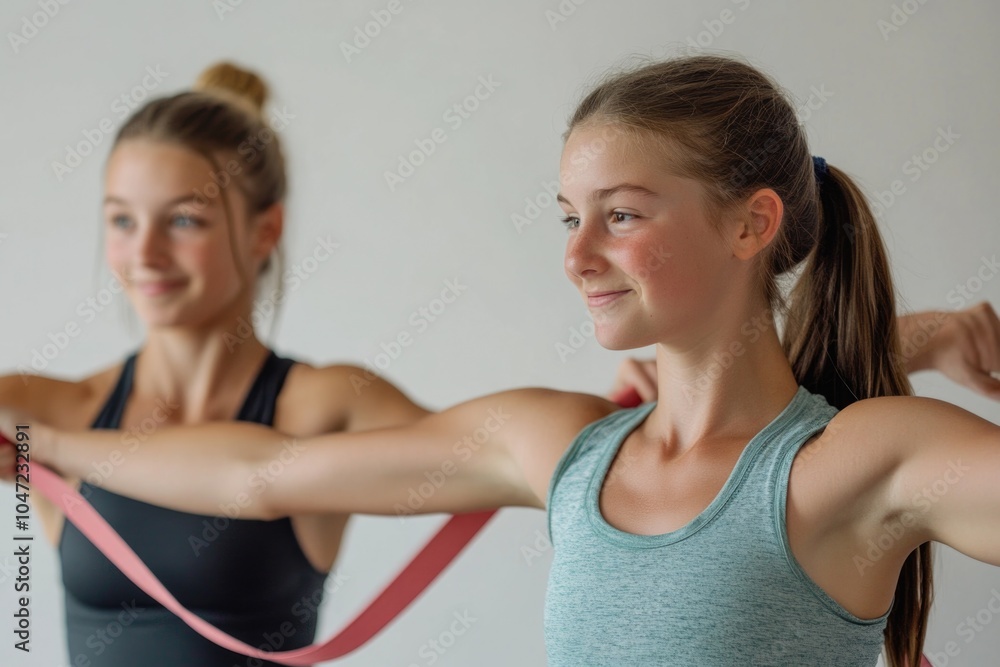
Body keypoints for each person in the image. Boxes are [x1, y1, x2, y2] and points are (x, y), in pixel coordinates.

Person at [4, 54, 1000, 666]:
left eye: (620, 215)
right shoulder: (557, 444)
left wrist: (915, 341)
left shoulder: (861, 463)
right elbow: (254, 473)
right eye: (569, 217)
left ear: (752, 224)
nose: (574, 255)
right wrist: (38, 439)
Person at [0, 62, 435, 666]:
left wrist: (610, 417)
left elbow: (499, 457)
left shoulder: (331, 406)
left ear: (265, 231)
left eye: (184, 219)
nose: (144, 254)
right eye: (122, 219)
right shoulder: (45, 407)